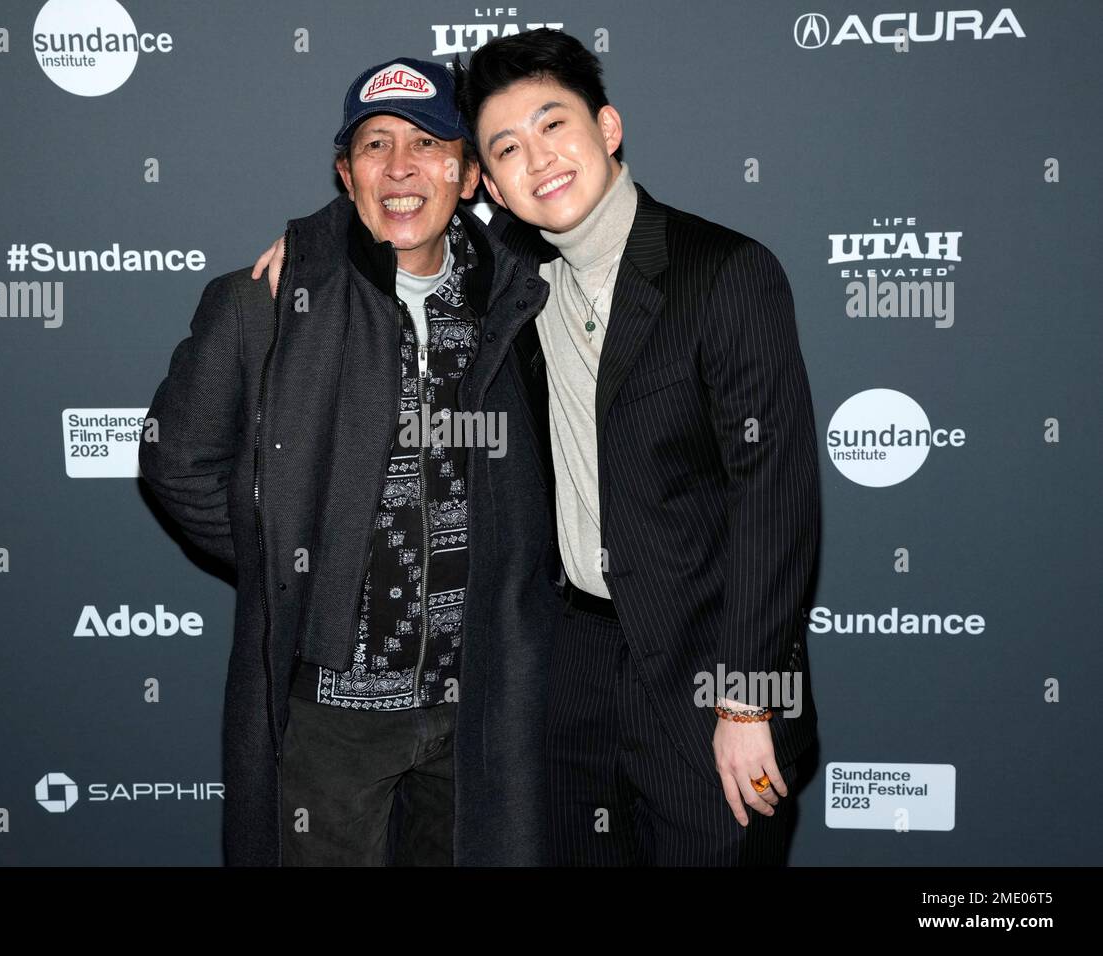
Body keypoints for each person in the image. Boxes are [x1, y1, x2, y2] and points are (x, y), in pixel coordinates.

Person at [256, 30, 820, 866]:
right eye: (507, 148)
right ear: (490, 181)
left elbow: (776, 507)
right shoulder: (515, 280)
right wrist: (315, 243)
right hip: (569, 674)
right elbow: (404, 202)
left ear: (608, 128)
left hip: (708, 675)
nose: (539, 160)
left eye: (553, 126)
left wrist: (746, 706)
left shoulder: (726, 272)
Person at [140, 56, 560, 866]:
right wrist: (296, 560)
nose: (400, 167)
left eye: (428, 143)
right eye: (375, 145)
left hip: (480, 708)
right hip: (331, 715)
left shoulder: (518, 307)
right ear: (346, 174)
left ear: (470, 174)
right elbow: (175, 461)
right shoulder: (266, 303)